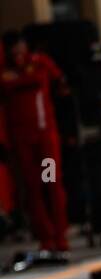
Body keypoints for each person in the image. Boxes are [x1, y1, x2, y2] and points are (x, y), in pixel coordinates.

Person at [1, 32, 70, 252]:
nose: (16, 52)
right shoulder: (3, 71)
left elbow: (62, 86)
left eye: (19, 46)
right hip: (22, 143)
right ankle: (46, 237)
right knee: (33, 189)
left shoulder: (40, 63)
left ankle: (60, 236)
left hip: (44, 141)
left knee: (51, 184)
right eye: (12, 48)